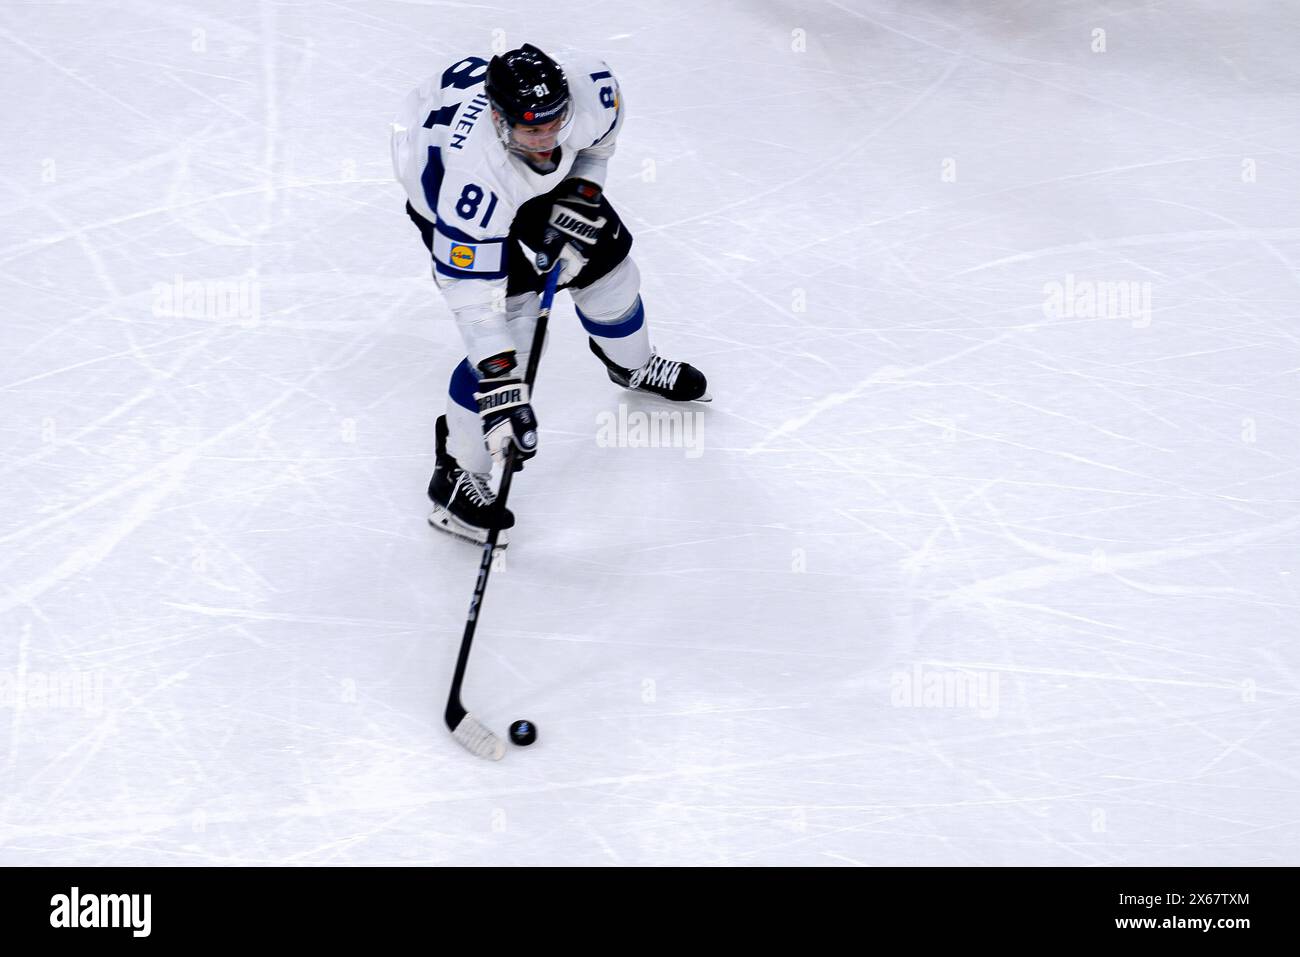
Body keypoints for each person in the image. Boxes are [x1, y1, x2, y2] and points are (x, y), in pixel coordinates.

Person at [392, 44, 709, 545]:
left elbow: (597, 144)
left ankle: (631, 364)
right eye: (531, 129)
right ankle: (455, 476)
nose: (547, 141)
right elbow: (473, 298)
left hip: (522, 185)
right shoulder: (472, 183)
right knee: (509, 331)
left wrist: (581, 195)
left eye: (554, 123)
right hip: (448, 203)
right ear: (499, 119)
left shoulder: (589, 92)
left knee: (611, 276)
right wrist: (500, 388)